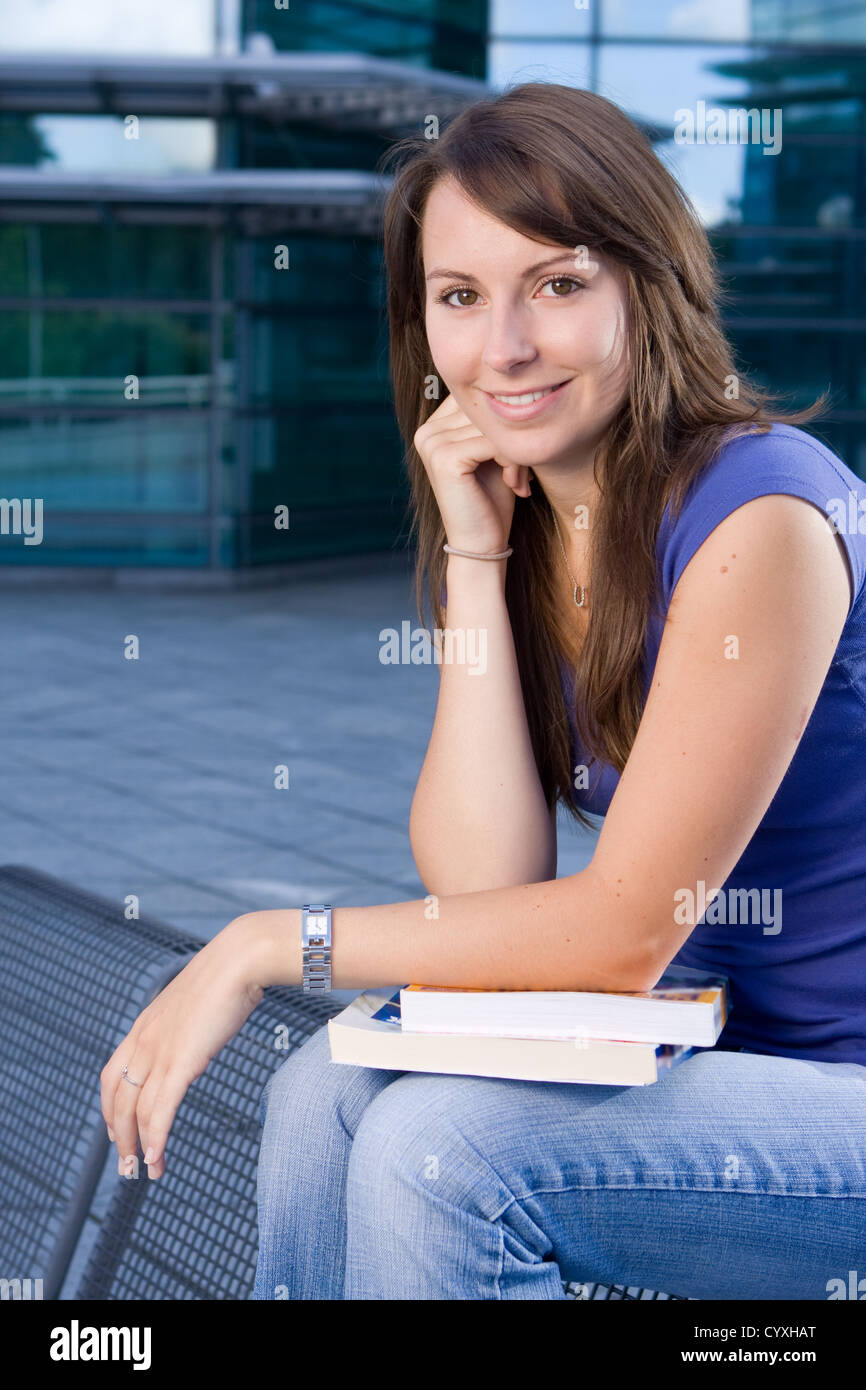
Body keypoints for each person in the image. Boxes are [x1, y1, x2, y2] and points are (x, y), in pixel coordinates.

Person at [100, 83, 866, 1300]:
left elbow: (620, 931)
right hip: (697, 1052)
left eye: (555, 284)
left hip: (838, 1097)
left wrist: (267, 943)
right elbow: (488, 890)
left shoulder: (759, 514)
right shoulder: (535, 525)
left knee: (439, 1151)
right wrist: (472, 552)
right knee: (324, 1095)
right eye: (459, 297)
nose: (502, 346)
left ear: (644, 284)